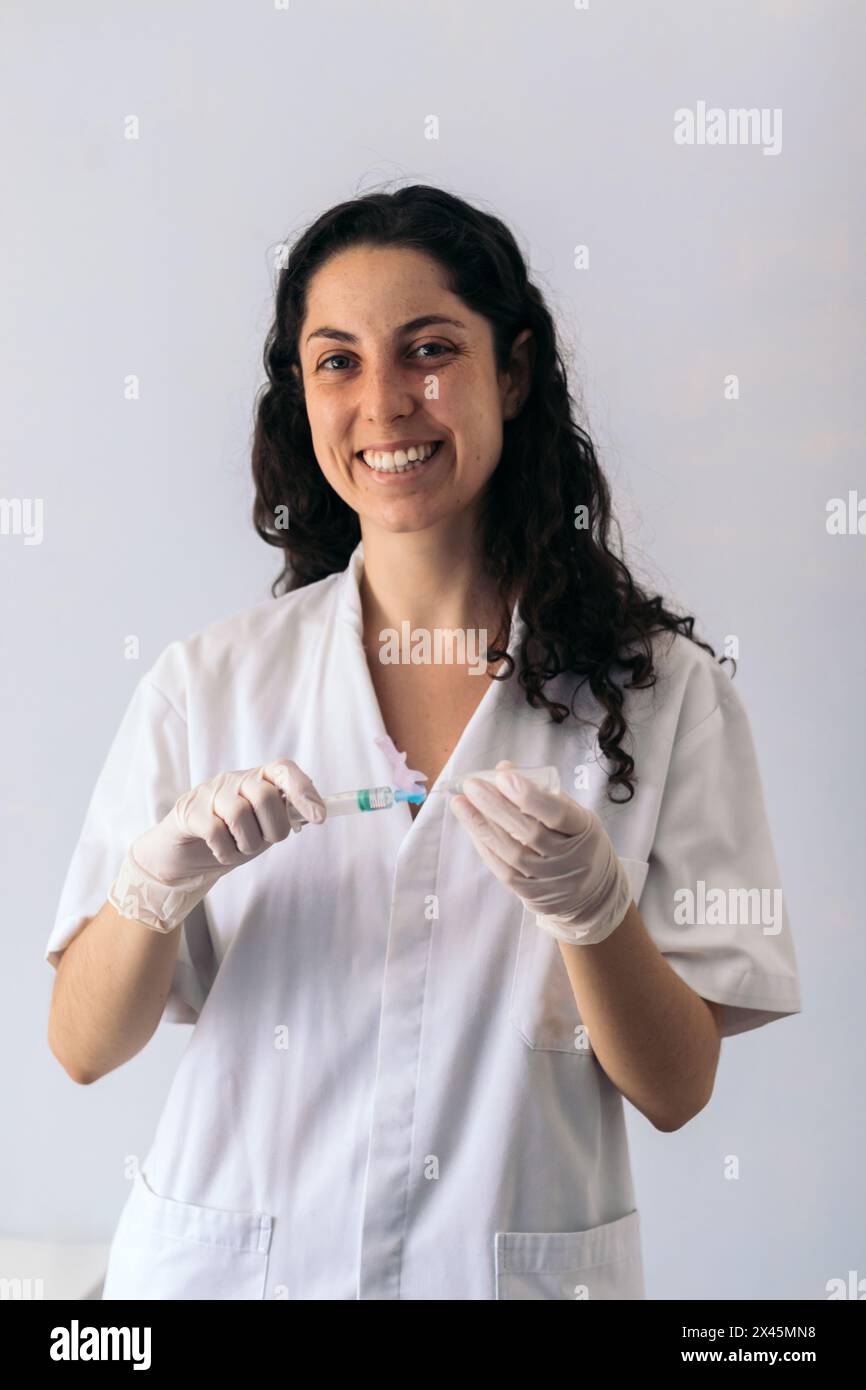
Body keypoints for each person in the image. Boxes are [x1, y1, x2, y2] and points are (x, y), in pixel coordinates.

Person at [45, 184, 802, 1301]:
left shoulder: (661, 697)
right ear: (301, 396)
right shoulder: (206, 684)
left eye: (429, 349)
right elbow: (82, 1045)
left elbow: (675, 1087)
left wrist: (593, 916)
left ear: (513, 369)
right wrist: (153, 893)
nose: (385, 401)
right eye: (336, 361)